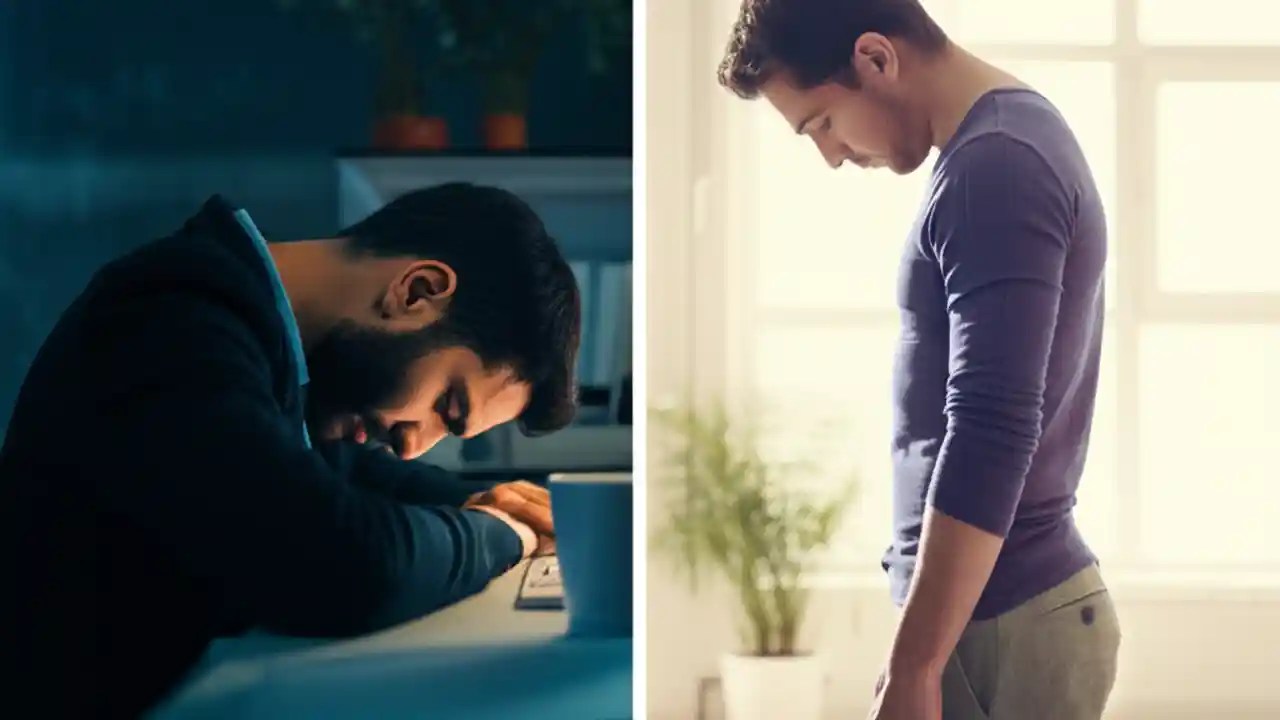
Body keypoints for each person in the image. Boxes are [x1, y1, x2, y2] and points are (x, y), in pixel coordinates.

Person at [0, 183, 580, 718]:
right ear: (417, 291)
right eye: (444, 407)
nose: (413, 444)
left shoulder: (270, 349)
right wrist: (506, 535)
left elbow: (365, 478)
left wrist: (497, 504)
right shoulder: (169, 318)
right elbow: (344, 561)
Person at [718, 2, 1119, 718]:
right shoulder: (995, 151)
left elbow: (991, 426)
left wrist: (915, 663)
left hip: (1008, 619)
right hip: (992, 616)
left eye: (821, 124)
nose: (832, 156)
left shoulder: (996, 168)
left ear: (875, 58)